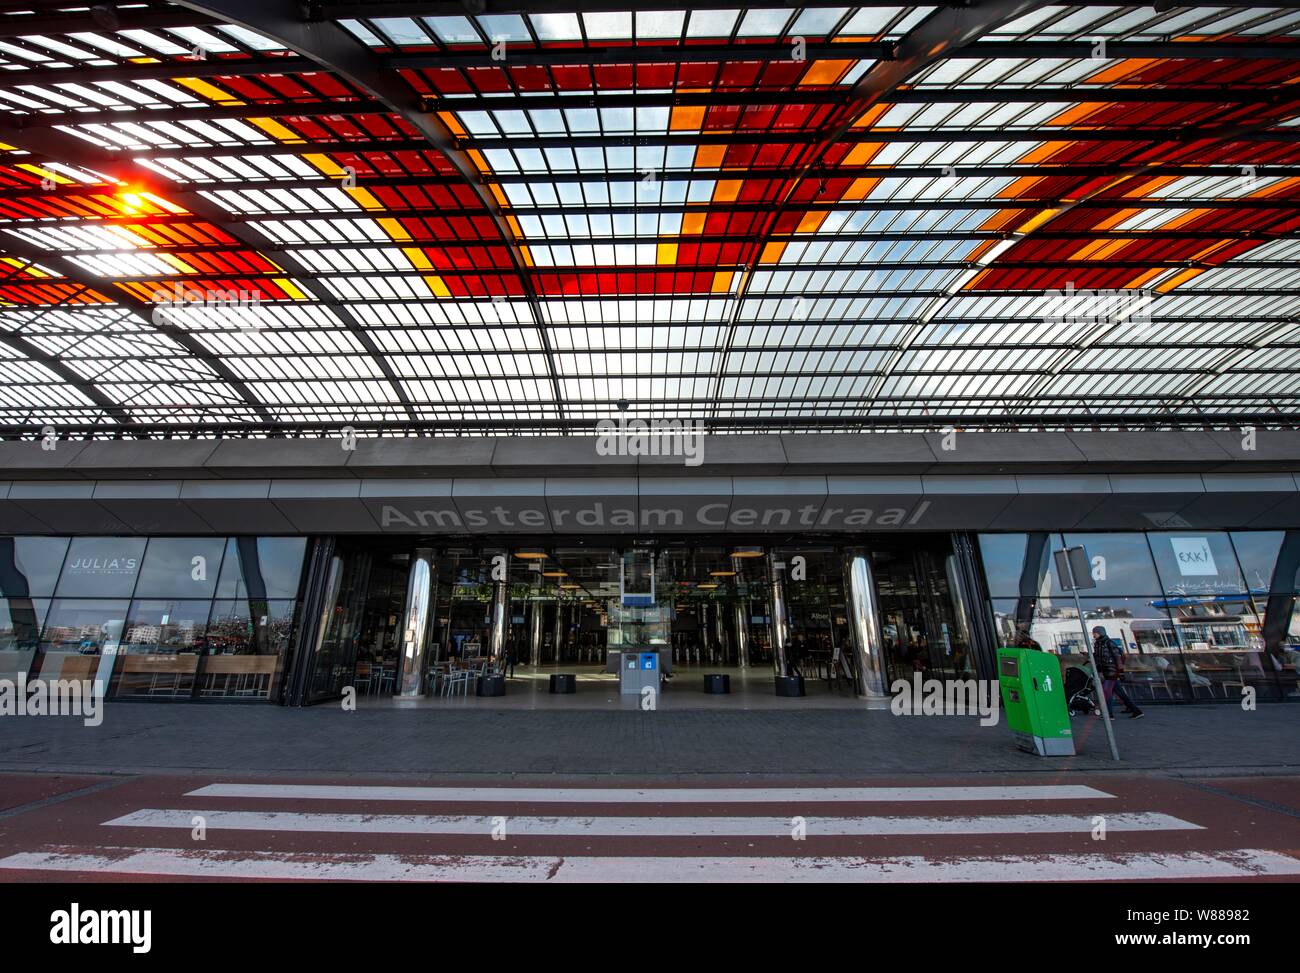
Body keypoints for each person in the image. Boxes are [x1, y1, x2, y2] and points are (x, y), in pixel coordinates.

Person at [1091, 625, 1143, 719]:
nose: (1093, 635)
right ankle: (1136, 710)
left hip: (1112, 672)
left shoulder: (1109, 643)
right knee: (1120, 693)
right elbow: (1098, 656)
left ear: (1100, 633)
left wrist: (1120, 671)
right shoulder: (1097, 644)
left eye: (1095, 633)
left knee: (1107, 692)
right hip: (1106, 672)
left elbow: (1117, 657)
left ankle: (1109, 714)